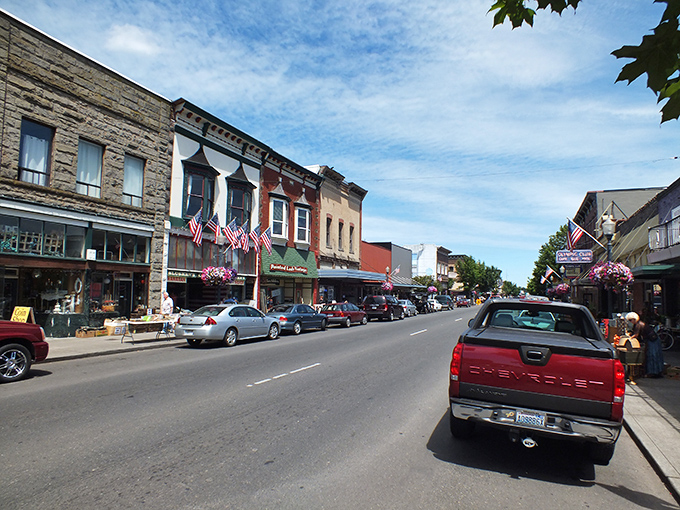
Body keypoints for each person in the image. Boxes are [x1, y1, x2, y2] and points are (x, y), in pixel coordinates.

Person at [626, 311, 664, 377]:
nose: (630, 322)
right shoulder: (638, 324)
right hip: (653, 339)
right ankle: (657, 372)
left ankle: (653, 373)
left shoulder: (638, 324)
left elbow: (636, 335)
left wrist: (629, 337)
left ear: (634, 319)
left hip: (652, 340)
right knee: (654, 356)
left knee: (652, 356)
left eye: (630, 320)